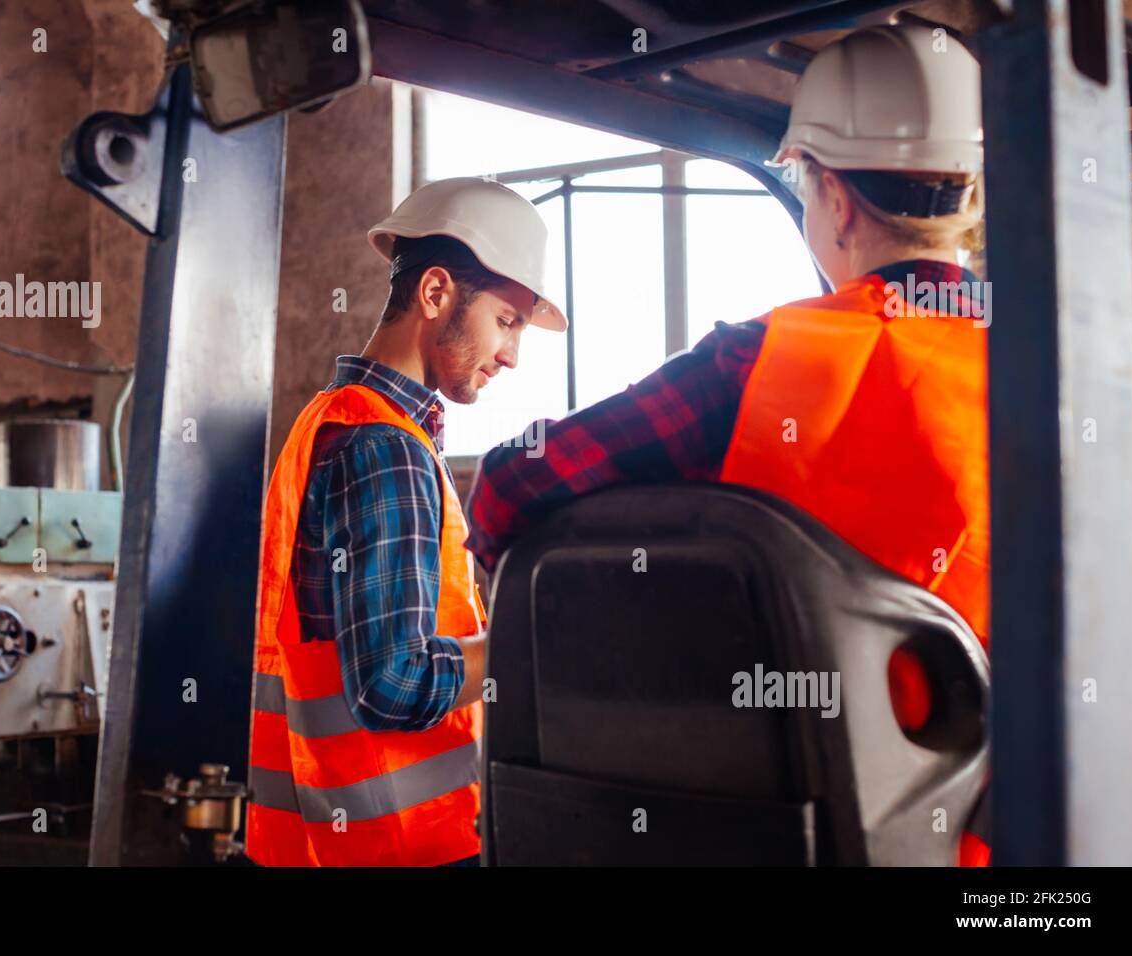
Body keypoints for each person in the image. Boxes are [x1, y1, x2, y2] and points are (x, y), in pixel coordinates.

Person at [466, 24, 991, 864]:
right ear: (968, 198)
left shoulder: (759, 365)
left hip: (793, 835)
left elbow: (509, 490)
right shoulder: (1081, 373)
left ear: (836, 201)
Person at [245, 177, 567, 867]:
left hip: (310, 843)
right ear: (435, 293)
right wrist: (534, 640)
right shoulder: (385, 449)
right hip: (401, 844)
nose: (513, 354)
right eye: (507, 321)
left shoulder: (325, 421)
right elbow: (391, 684)